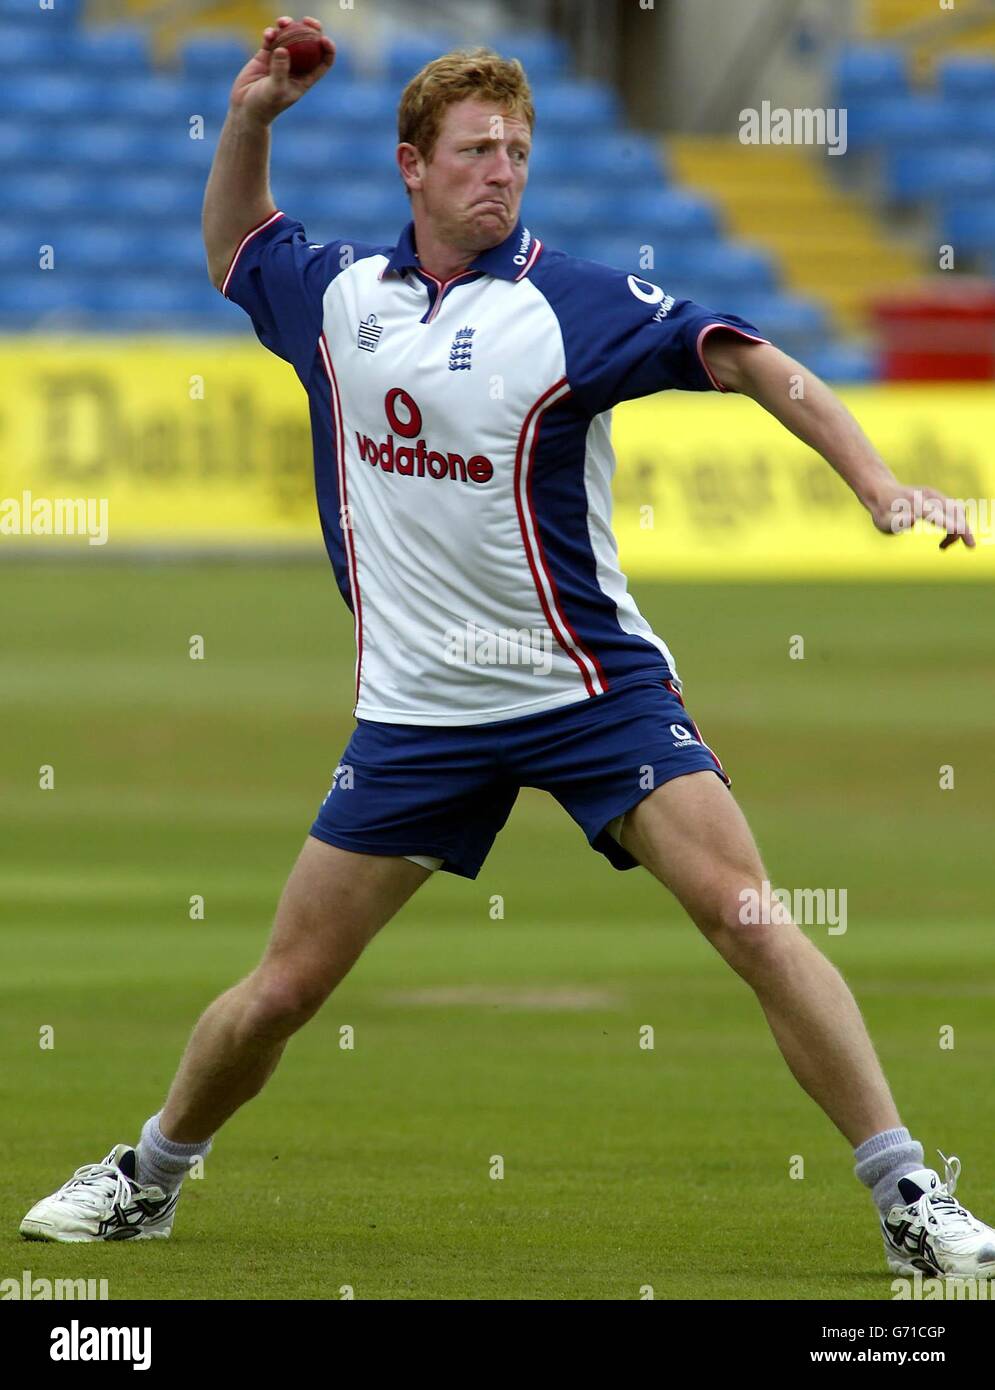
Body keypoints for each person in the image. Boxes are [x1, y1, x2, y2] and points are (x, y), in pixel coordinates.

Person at [22, 16, 993, 1281]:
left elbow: (753, 359)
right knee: (283, 989)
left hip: (588, 690)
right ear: (410, 166)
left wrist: (875, 482)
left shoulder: (569, 303)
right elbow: (235, 247)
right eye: (476, 150)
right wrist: (252, 116)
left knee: (750, 917)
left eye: (518, 151)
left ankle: (908, 1197)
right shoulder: (339, 301)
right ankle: (148, 1176)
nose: (501, 171)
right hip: (418, 714)